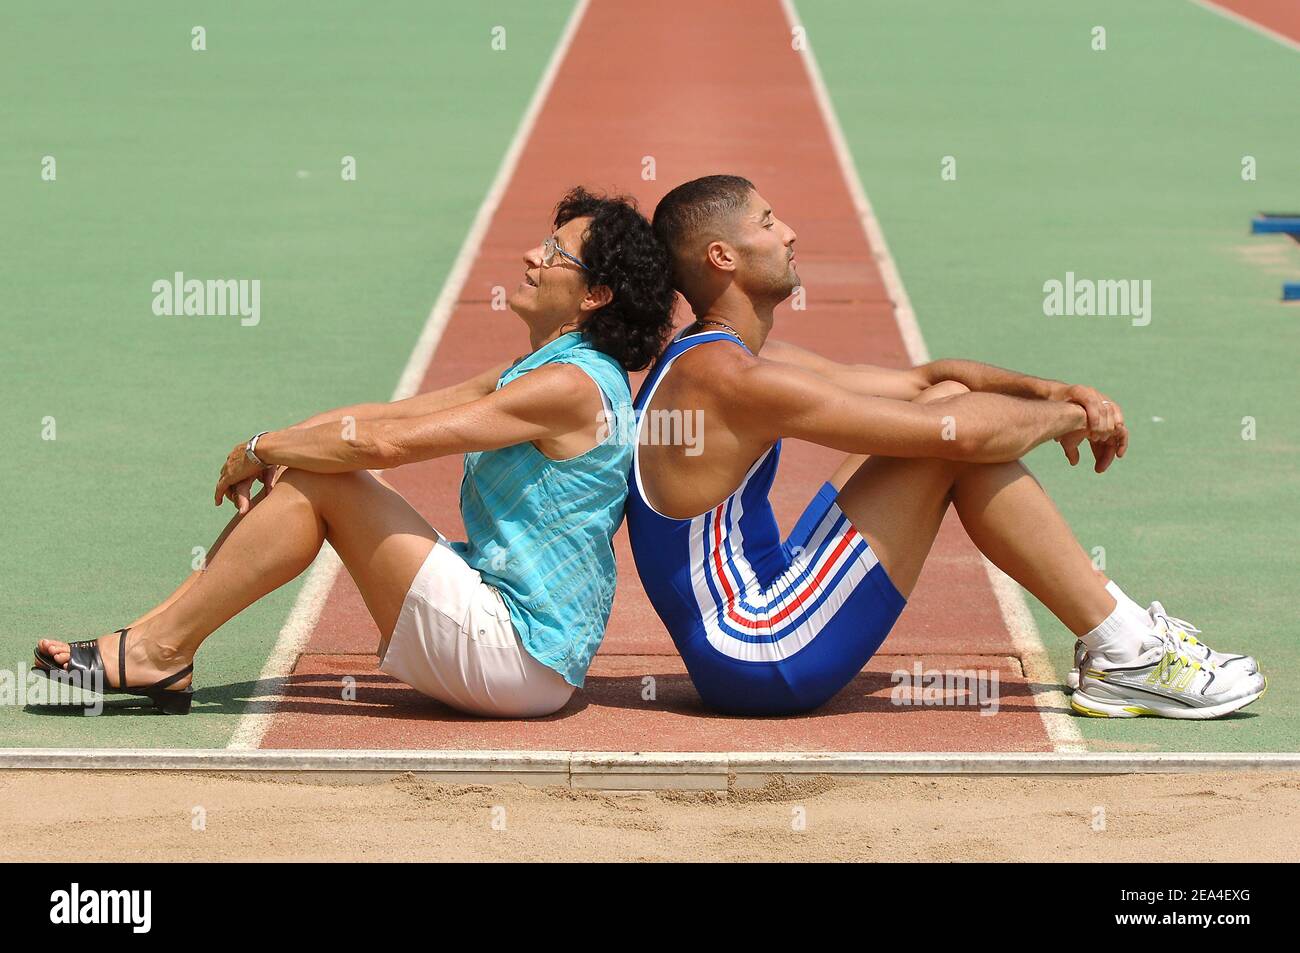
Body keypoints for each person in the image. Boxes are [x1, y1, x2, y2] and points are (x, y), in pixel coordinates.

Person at [625, 174, 1263, 719]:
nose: (788, 232)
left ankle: (1124, 645)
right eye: (767, 222)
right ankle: (1129, 652)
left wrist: (1060, 393)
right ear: (722, 258)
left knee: (944, 403)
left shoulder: (726, 356)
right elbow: (965, 434)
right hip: (759, 653)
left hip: (755, 616)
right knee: (949, 441)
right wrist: (1067, 418)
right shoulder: (736, 380)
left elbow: (925, 381)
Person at [34, 188, 676, 718]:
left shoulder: (570, 386)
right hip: (514, 644)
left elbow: (388, 445)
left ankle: (159, 651)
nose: (533, 255)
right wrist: (283, 444)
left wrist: (262, 448)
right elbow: (386, 415)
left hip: (518, 658)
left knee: (330, 480)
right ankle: (152, 644)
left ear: (595, 297)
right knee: (315, 464)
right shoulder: (545, 368)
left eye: (557, 252)